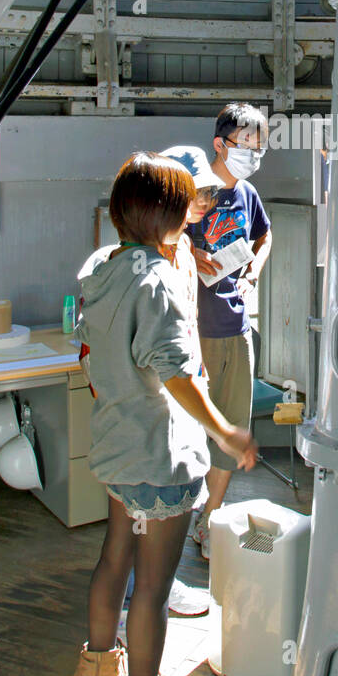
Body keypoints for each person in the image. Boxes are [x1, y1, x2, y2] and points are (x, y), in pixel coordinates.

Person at [70, 152, 258, 676]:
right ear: (165, 212)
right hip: (161, 458)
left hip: (118, 446)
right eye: (185, 205)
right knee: (153, 588)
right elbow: (176, 372)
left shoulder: (102, 267)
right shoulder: (156, 280)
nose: (194, 213)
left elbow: (99, 350)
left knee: (113, 562)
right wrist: (226, 431)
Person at [118, 144, 226, 626]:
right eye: (193, 192)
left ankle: (148, 589)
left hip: (173, 399)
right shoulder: (135, 261)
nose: (202, 202)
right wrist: (224, 428)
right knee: (146, 511)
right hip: (150, 407)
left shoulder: (180, 248)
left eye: (205, 193)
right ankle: (142, 604)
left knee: (148, 518)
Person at [188, 103, 272, 559]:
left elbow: (265, 234)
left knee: (232, 426)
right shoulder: (190, 190)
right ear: (219, 144)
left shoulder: (248, 195)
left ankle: (207, 521)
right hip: (187, 331)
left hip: (233, 326)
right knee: (185, 429)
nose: (254, 154)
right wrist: (184, 249)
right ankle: (174, 515)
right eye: (246, 145)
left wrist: (256, 266)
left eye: (261, 147)